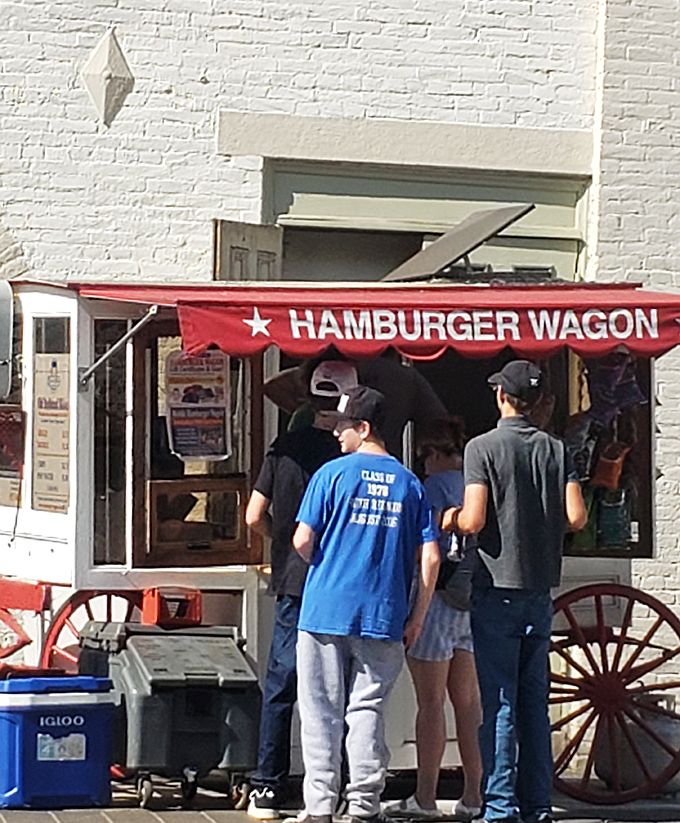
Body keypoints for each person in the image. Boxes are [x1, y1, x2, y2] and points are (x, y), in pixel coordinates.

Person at [442, 361, 587, 823]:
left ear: (502, 397)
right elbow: (577, 517)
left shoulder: (481, 448)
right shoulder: (555, 449)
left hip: (496, 586)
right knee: (533, 703)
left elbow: (475, 520)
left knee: (499, 702)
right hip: (539, 588)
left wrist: (451, 518)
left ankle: (501, 806)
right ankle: (537, 804)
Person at [292, 386, 441, 823]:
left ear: (364, 427)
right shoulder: (410, 484)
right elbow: (429, 556)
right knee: (367, 710)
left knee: (320, 710)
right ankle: (364, 805)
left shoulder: (330, 475)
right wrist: (418, 616)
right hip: (384, 612)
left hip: (324, 609)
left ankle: (319, 807)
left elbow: (302, 539)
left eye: (343, 426)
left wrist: (325, 562)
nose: (337, 434)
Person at [245, 360, 359, 820]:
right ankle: (348, 786)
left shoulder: (285, 447)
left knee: (282, 683)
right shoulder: (350, 458)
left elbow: (254, 515)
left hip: (293, 577)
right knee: (346, 688)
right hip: (341, 581)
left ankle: (267, 787)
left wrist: (279, 542)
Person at [384, 419, 483, 822]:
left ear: (437, 453)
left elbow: (421, 548)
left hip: (437, 600)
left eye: (425, 455)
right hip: (471, 599)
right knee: (469, 704)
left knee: (430, 703)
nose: (423, 463)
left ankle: (425, 797)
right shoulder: (477, 485)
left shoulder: (432, 489)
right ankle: (475, 794)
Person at [263, 351, 447, 458]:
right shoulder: (402, 377)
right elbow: (441, 427)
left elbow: (271, 386)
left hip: (323, 473)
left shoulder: (322, 370)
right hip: (384, 472)